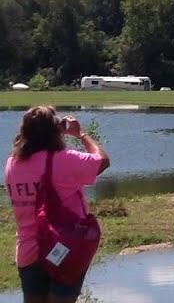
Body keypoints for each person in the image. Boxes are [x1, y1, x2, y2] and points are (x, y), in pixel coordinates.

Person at [3, 106, 109, 303]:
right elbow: (102, 161)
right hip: (64, 246)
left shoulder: (12, 163)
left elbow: (26, 146)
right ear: (54, 131)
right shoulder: (63, 160)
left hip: (29, 250)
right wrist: (81, 134)